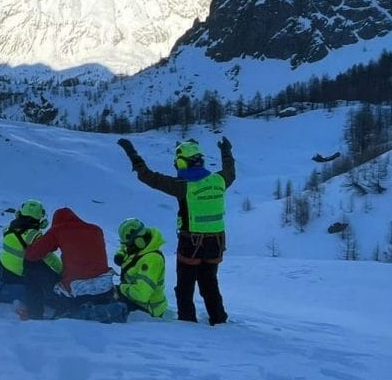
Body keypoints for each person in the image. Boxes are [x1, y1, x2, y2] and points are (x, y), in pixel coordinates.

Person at [117, 136, 235, 325]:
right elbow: (230, 171)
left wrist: (133, 155)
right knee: (210, 283)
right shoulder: (219, 180)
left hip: (191, 243)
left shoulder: (184, 187)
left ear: (182, 162)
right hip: (216, 243)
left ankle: (187, 323)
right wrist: (226, 151)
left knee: (184, 288)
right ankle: (219, 320)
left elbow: (148, 176)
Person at [23, 207, 125, 322]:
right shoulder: (96, 230)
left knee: (31, 265)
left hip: (77, 293)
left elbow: (32, 254)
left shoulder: (58, 230)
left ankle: (34, 314)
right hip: (104, 289)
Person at [0, 200, 62, 308]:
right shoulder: (34, 235)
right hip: (23, 275)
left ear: (19, 214)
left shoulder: (7, 229)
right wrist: (62, 272)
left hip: (5, 273)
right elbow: (49, 258)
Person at [113, 218, 168, 318]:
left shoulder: (151, 260)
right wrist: (120, 254)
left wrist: (121, 288)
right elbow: (124, 248)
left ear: (138, 241)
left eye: (129, 244)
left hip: (148, 309)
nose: (128, 247)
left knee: (108, 307)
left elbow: (141, 294)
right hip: (134, 298)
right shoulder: (141, 247)